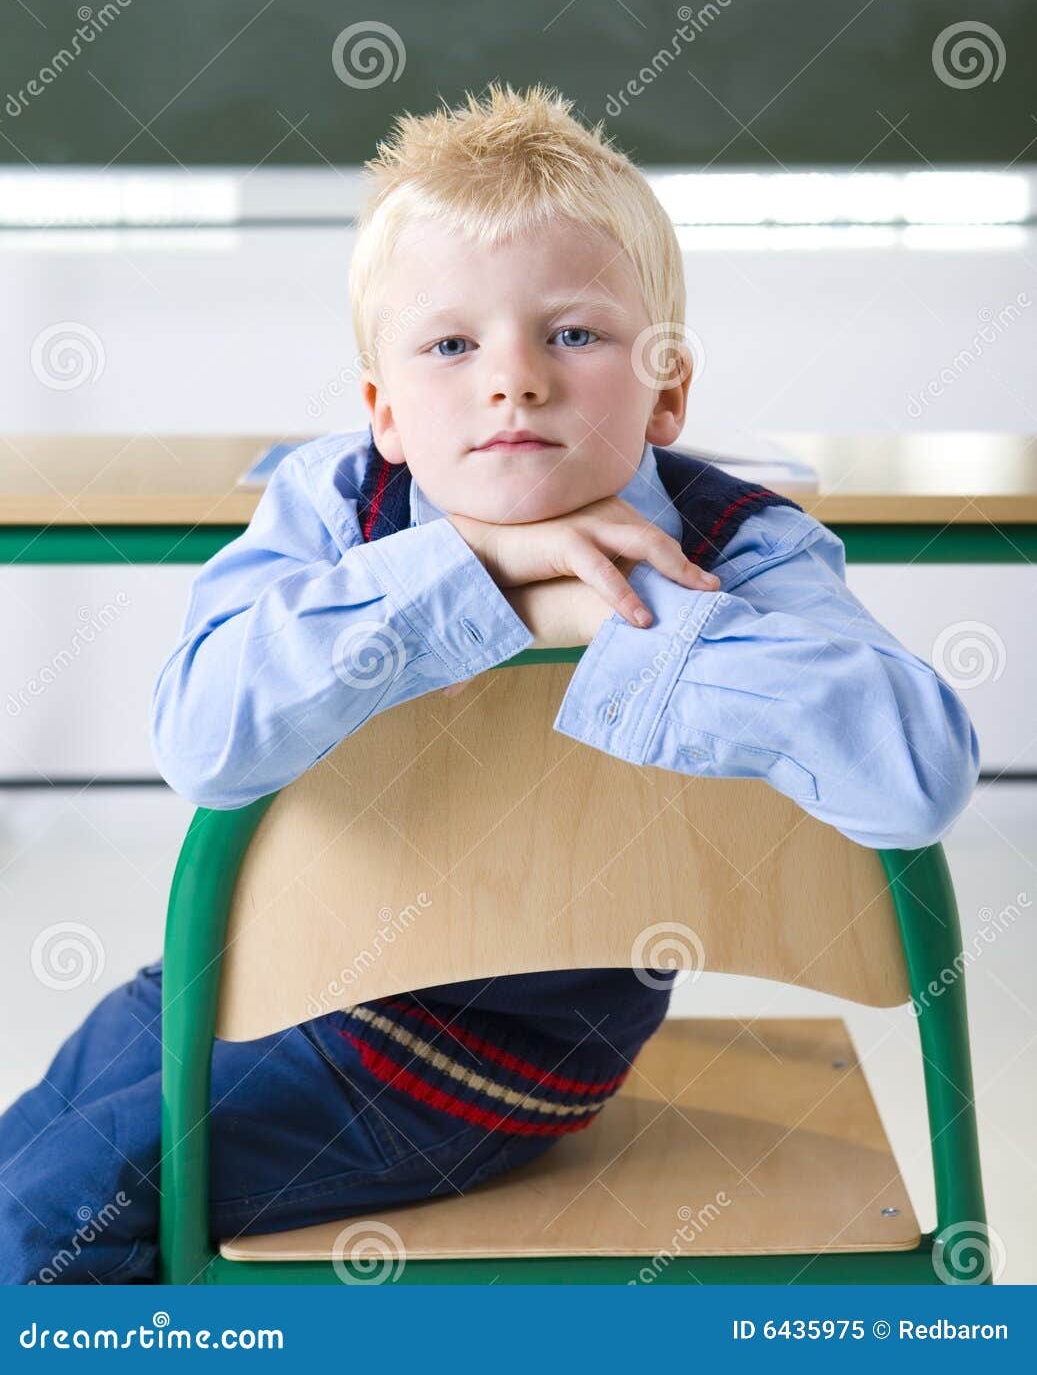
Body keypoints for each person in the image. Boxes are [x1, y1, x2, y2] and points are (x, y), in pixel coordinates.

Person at [0, 83, 980, 1283]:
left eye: (571, 334)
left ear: (668, 388)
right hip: (250, 972)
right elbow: (203, 736)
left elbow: (914, 775)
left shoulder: (743, 549)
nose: (512, 380)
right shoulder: (330, 501)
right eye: (451, 345)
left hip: (467, 1057)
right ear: (384, 411)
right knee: (19, 1162)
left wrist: (610, 613)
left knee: (42, 1219)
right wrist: (479, 571)